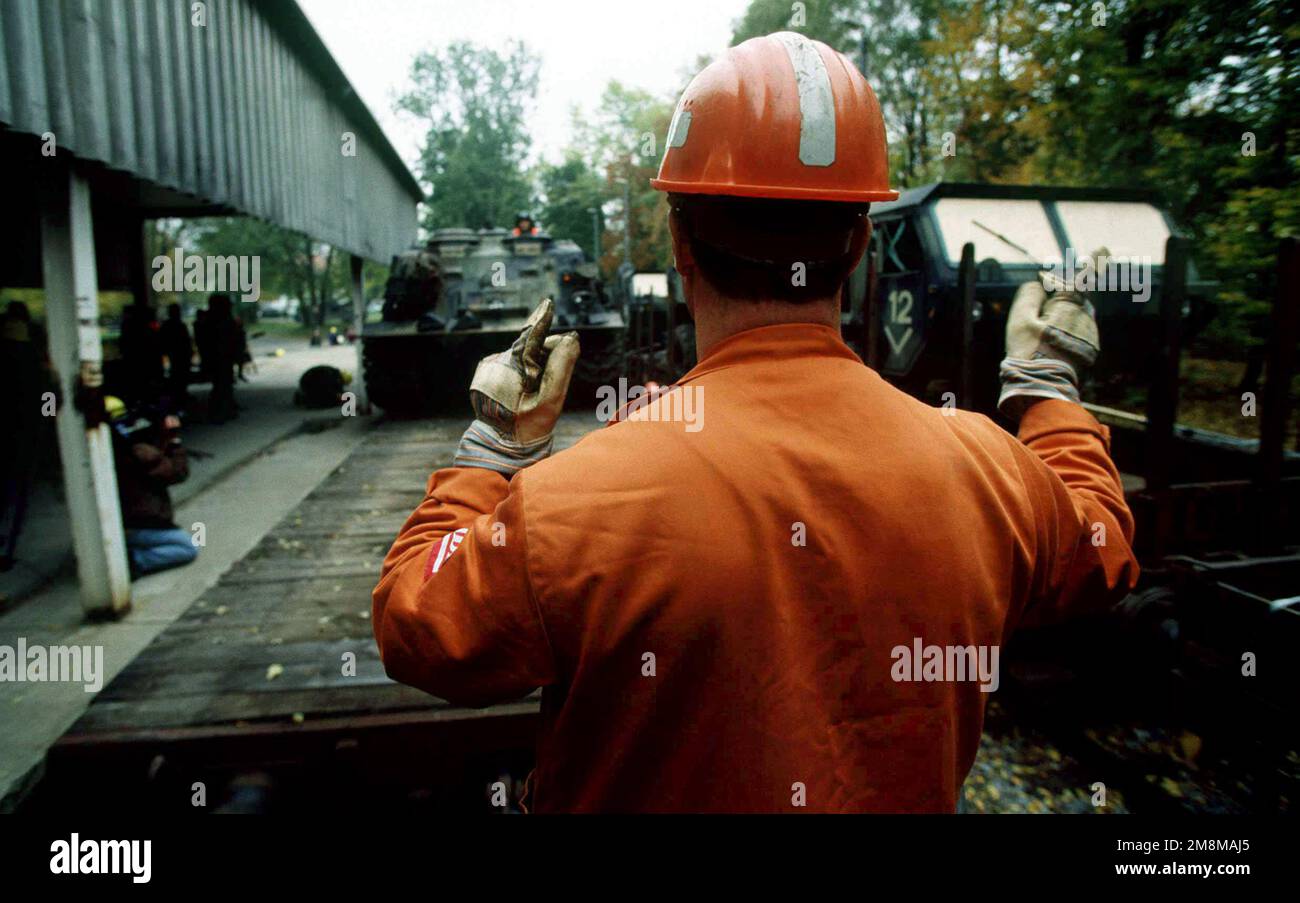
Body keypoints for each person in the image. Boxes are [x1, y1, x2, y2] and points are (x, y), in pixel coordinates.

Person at [371, 32, 1139, 813]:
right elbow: (1101, 550)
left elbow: (415, 625)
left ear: (680, 242)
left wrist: (492, 447)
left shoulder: (573, 505)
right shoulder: (988, 470)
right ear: (860, 244)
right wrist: (1046, 387)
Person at [105, 396, 197, 578]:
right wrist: (174, 442)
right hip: (140, 522)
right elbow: (177, 473)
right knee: (187, 548)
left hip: (121, 520)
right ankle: (135, 560)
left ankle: (124, 549)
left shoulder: (110, 452)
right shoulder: (138, 452)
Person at [0, 301, 50, 571]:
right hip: (26, 429)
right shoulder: (34, 354)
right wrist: (47, 417)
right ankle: (8, 550)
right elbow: (50, 392)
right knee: (19, 490)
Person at [204, 294, 239, 423]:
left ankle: (224, 408)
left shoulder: (210, 320)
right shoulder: (220, 321)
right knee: (222, 384)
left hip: (220, 357)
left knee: (222, 384)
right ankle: (220, 410)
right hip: (220, 357)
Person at [159, 303, 193, 408]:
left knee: (178, 377)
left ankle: (179, 396)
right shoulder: (178, 325)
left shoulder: (169, 325)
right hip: (177, 356)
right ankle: (179, 397)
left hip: (177, 356)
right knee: (179, 377)